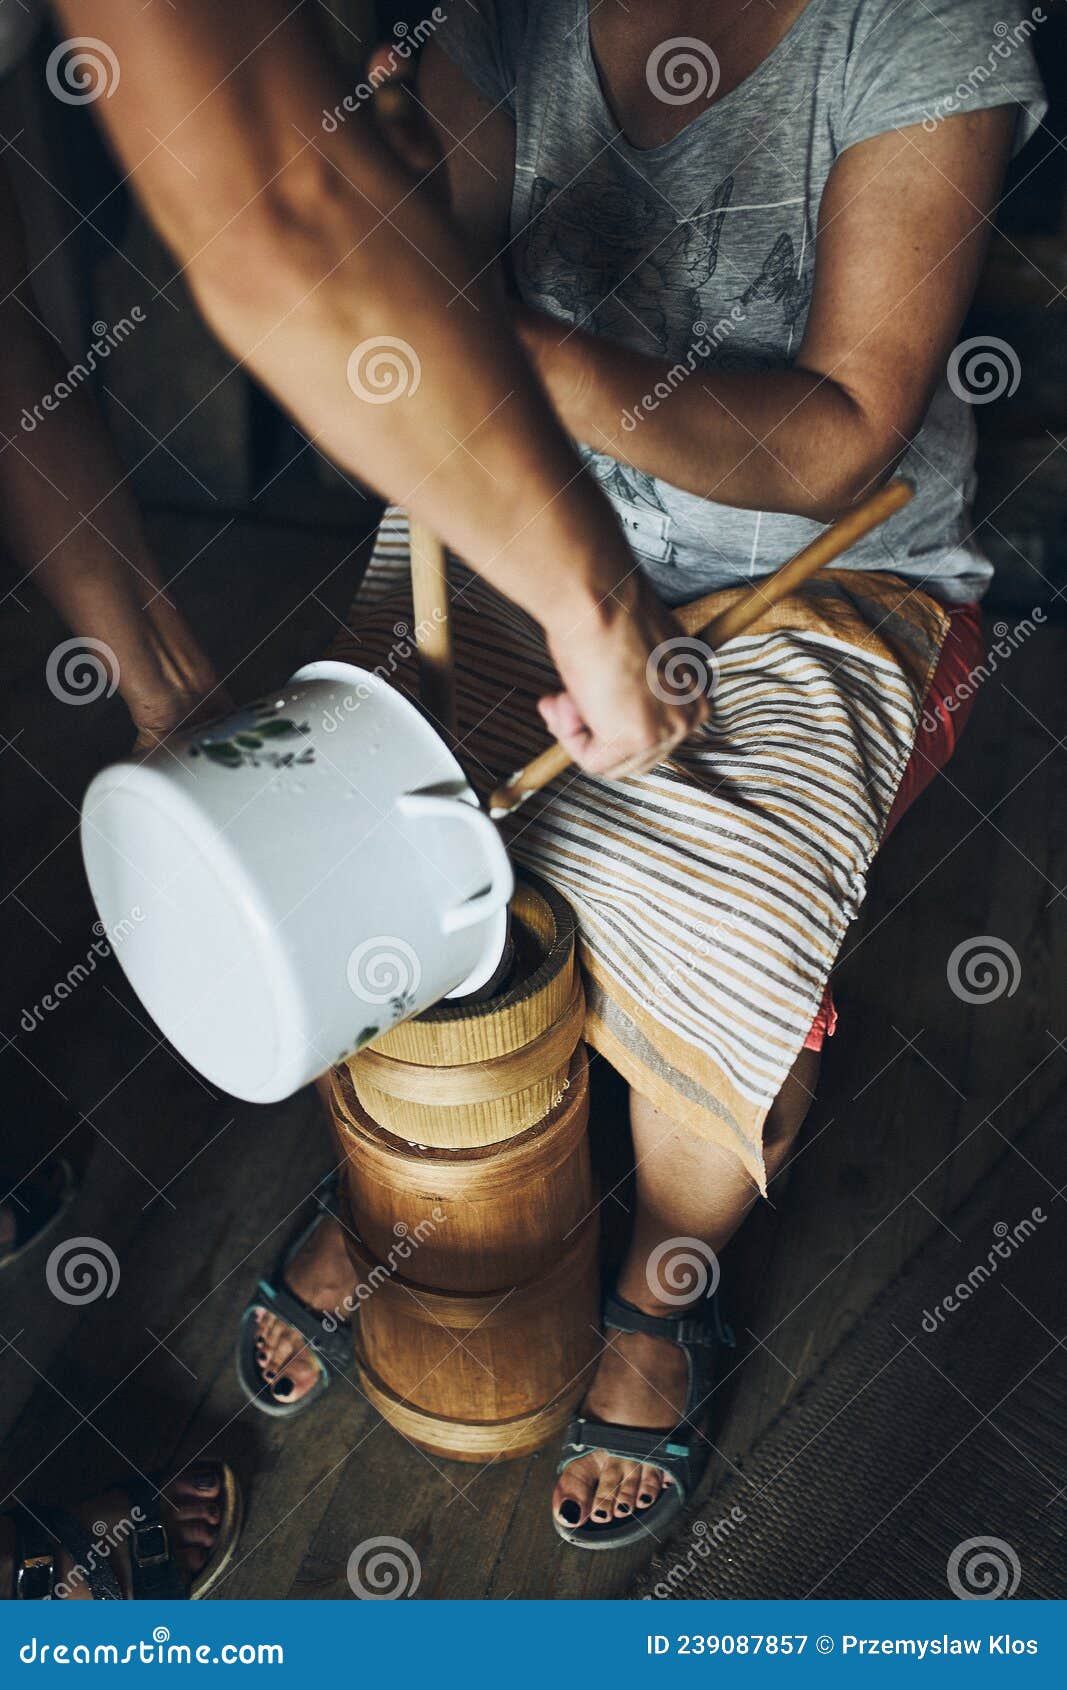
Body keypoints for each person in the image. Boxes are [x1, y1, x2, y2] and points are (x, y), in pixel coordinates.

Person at [243, 0, 1046, 1551]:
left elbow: (837, 434)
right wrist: (404, 218)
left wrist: (506, 343)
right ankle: (410, 1183)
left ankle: (663, 1272)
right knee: (356, 809)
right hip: (532, 496)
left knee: (718, 908)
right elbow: (437, 283)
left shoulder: (926, 28)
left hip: (819, 568)